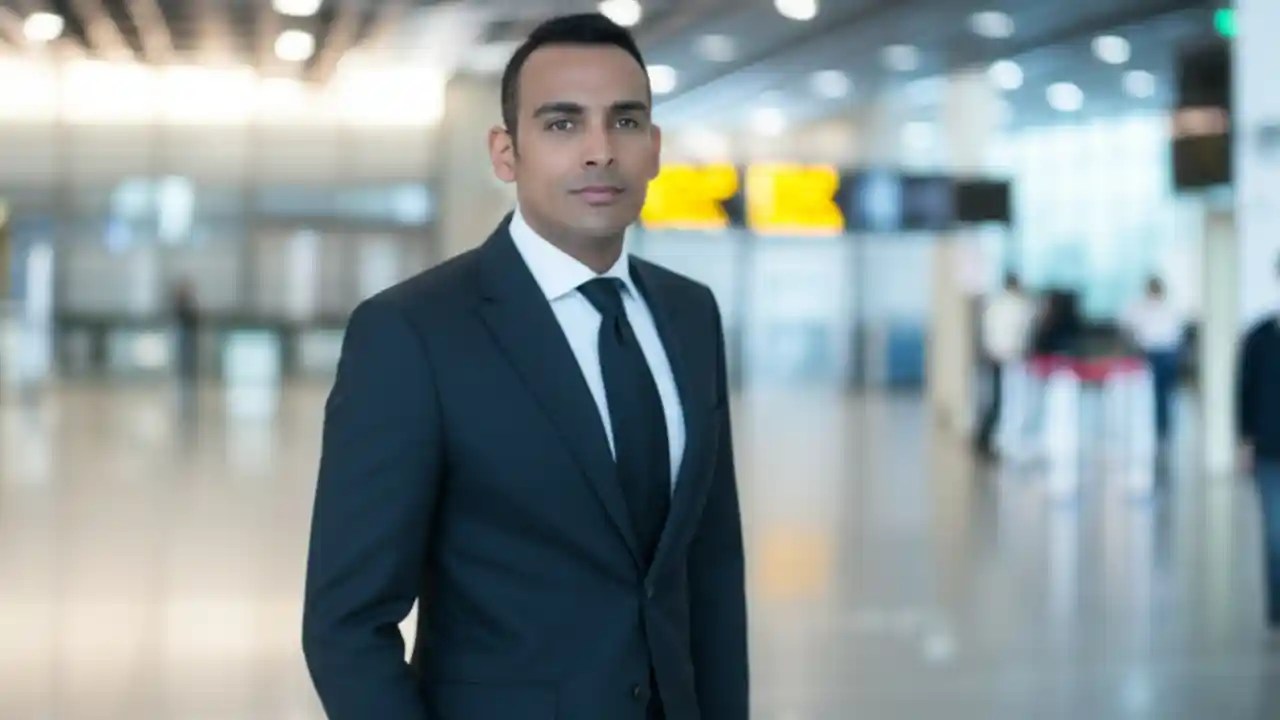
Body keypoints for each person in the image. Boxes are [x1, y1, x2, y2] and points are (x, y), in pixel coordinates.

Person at [302, 14, 748, 720]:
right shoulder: (413, 333)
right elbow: (346, 626)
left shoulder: (690, 317)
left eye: (625, 122)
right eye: (563, 125)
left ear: (655, 148)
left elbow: (711, 573)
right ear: (505, 152)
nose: (601, 151)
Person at [1239, 257, 1280, 633]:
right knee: (1276, 533)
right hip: (1269, 447)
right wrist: (1244, 441)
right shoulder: (1259, 337)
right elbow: (1244, 393)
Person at [976, 272, 1035, 459]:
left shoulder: (996, 304)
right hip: (1009, 358)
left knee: (995, 400)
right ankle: (990, 440)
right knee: (1002, 402)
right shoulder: (1020, 305)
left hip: (993, 356)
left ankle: (986, 439)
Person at [1122, 277, 1185, 445]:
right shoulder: (1139, 307)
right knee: (1152, 394)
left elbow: (1178, 333)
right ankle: (1154, 428)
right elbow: (1128, 327)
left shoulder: (1171, 307)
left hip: (1168, 353)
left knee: (1165, 394)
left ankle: (1163, 429)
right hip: (1149, 354)